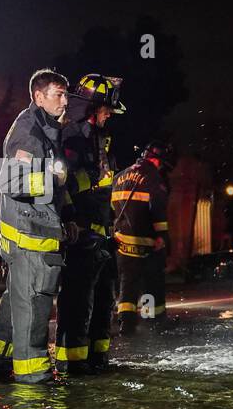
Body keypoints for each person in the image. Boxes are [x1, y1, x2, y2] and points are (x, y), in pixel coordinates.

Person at [0, 70, 74, 384]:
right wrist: (53, 178)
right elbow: (12, 181)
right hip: (28, 235)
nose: (64, 101)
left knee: (18, 298)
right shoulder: (28, 130)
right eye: (58, 94)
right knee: (34, 301)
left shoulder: (47, 130)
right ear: (38, 96)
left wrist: (68, 214)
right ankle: (33, 374)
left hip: (34, 232)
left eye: (65, 94)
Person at [55, 74, 125, 375]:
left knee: (103, 298)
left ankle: (98, 358)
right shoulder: (72, 136)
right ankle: (73, 362)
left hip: (101, 234)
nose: (110, 114)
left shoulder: (99, 138)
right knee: (77, 302)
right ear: (93, 107)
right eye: (107, 108)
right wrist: (75, 218)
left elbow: (103, 186)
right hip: (81, 233)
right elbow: (65, 183)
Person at [112, 140, 173, 334]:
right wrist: (162, 236)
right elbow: (157, 211)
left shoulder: (120, 176)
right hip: (146, 243)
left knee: (126, 283)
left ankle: (126, 322)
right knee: (151, 281)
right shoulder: (153, 178)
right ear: (156, 160)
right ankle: (152, 319)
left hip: (121, 242)